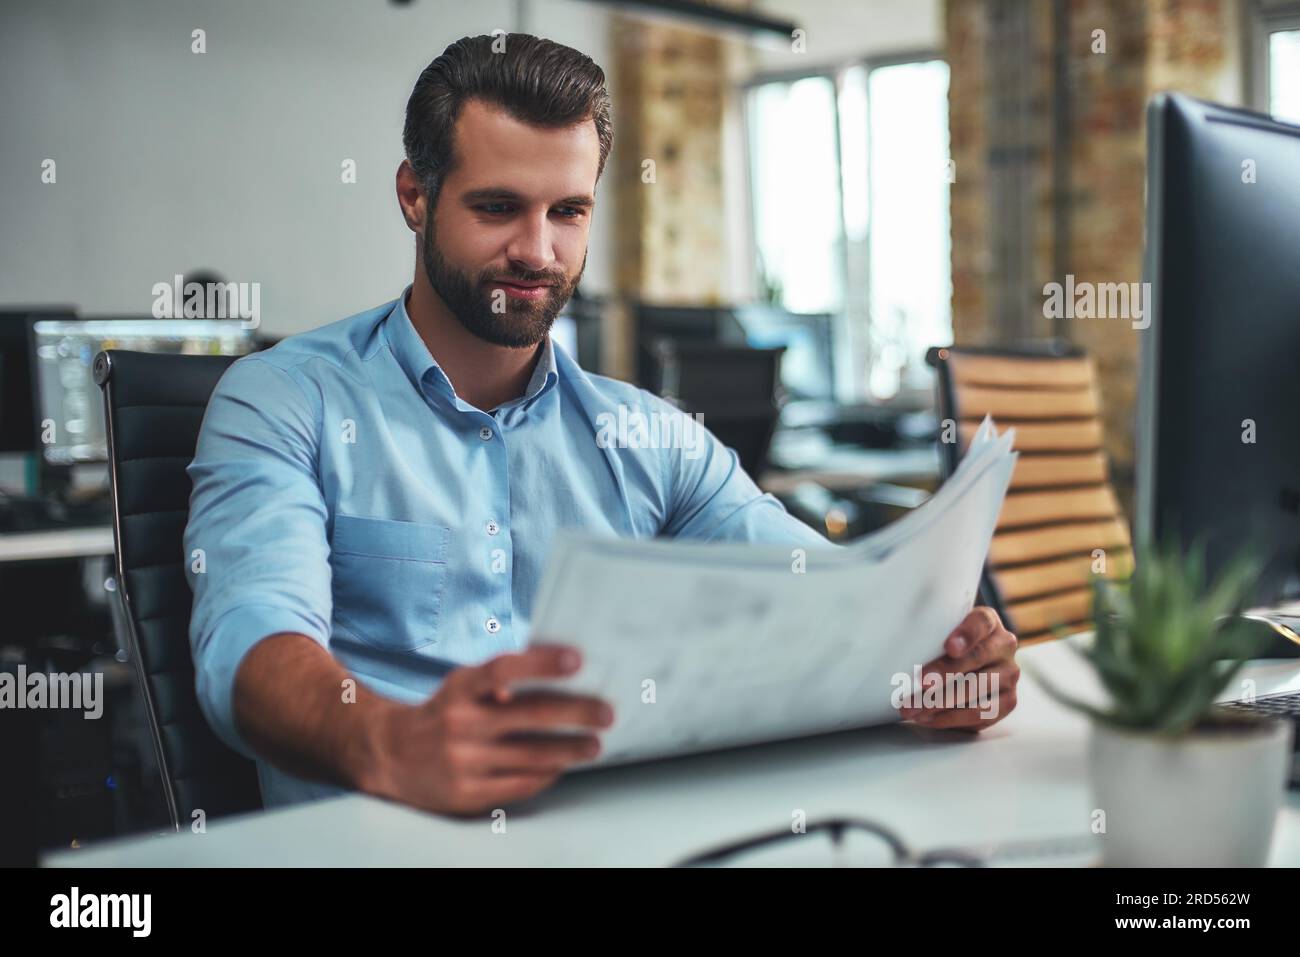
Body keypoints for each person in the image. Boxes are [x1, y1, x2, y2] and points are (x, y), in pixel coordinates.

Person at [185, 33, 1019, 815]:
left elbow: (836, 602)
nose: (537, 250)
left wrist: (940, 660)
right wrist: (390, 741)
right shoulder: (284, 400)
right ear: (415, 196)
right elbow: (251, 645)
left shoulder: (651, 438)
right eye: (498, 206)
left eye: (568, 211)